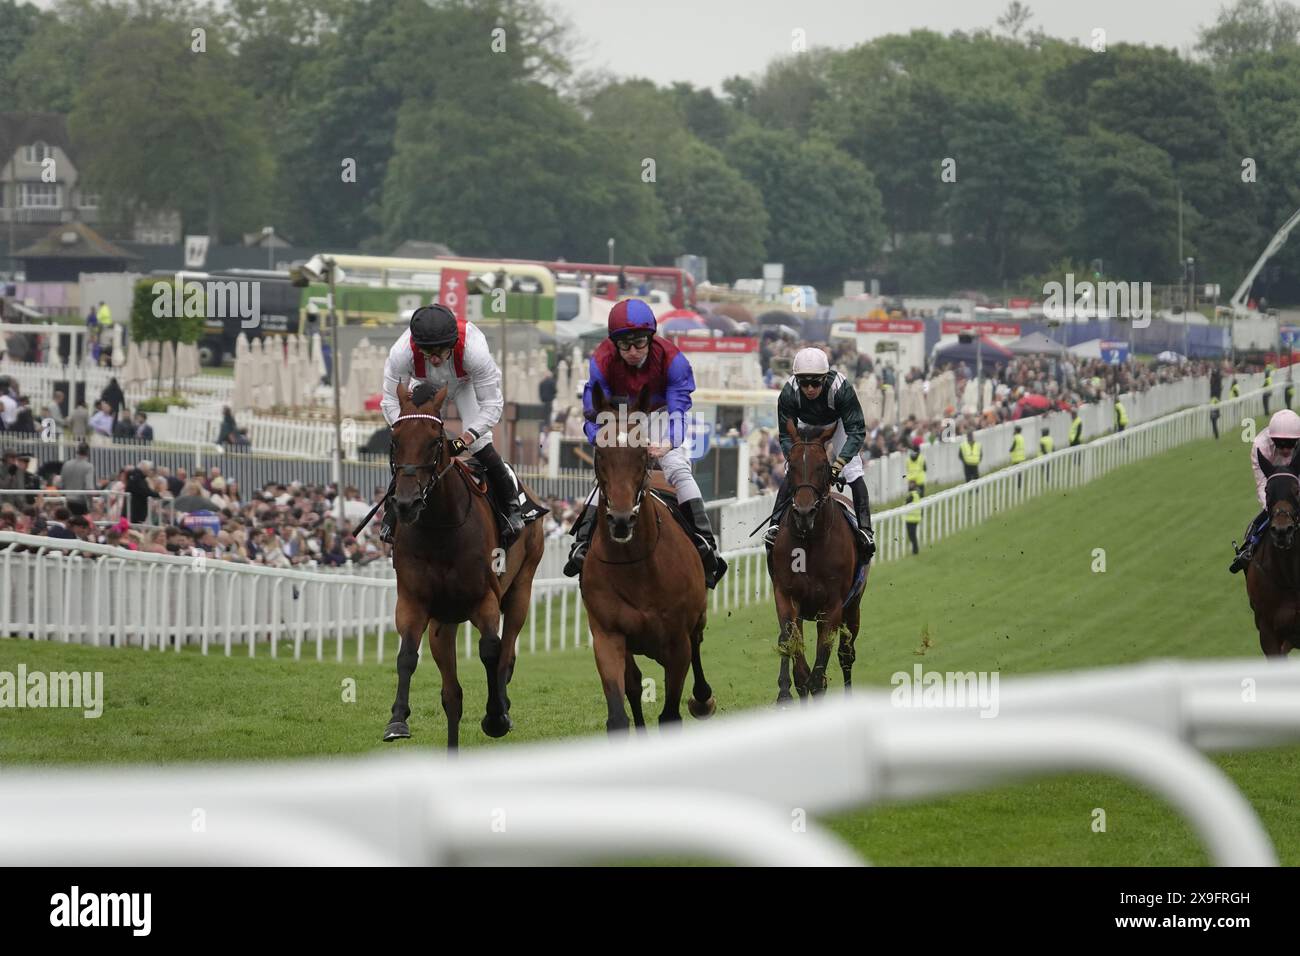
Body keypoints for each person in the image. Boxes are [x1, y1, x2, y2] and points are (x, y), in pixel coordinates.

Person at [564, 298, 727, 586]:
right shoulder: (601, 360)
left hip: (663, 414)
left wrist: (668, 443)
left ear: (650, 338)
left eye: (639, 343)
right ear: (615, 345)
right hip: (622, 415)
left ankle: (705, 541)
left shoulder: (673, 359)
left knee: (677, 466)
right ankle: (582, 542)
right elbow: (592, 413)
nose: (632, 351)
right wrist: (601, 439)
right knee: (614, 470)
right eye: (624, 345)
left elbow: (679, 410)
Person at [378, 303, 526, 542]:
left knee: (480, 445)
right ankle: (391, 515)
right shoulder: (401, 353)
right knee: (409, 447)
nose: (435, 359)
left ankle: (511, 508)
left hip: (465, 383)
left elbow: (492, 405)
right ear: (417, 346)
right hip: (423, 384)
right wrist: (410, 432)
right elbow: (389, 402)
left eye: (440, 351)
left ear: (454, 343)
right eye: (427, 352)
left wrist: (466, 439)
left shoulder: (474, 351)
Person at [762, 346, 874, 562]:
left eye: (816, 382)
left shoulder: (841, 389)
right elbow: (786, 436)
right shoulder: (788, 394)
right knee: (793, 471)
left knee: (853, 472)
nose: (810, 388)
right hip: (805, 426)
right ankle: (774, 525)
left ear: (825, 378)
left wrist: (839, 463)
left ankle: (866, 531)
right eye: (804, 383)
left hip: (837, 423)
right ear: (797, 380)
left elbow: (857, 431)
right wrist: (794, 459)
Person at [1230, 408, 1300, 573]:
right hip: (1273, 485)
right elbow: (1263, 484)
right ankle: (1248, 549)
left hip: (1295, 483)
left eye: (1290, 444)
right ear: (1272, 438)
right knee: (1264, 519)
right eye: (1279, 443)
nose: (1284, 449)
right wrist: (1272, 508)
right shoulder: (1260, 446)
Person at [59, 443, 95, 515]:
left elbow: (60, 484)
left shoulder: (67, 464)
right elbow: (89, 488)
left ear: (77, 451)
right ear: (88, 452)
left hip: (68, 501)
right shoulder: (89, 467)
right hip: (81, 502)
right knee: (81, 524)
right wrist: (91, 505)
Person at [126, 459, 159, 524]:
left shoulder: (137, 476)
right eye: (150, 469)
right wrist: (157, 494)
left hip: (135, 509)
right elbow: (144, 490)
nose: (150, 471)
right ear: (145, 468)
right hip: (135, 509)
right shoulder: (137, 477)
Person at [904, 479, 922, 555]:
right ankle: (915, 550)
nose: (909, 485)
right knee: (912, 535)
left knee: (912, 535)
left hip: (911, 519)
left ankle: (915, 551)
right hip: (915, 518)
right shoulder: (916, 493)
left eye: (910, 484)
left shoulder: (912, 495)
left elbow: (906, 505)